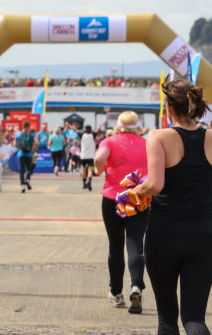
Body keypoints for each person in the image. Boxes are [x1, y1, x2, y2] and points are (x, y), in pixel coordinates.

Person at [133, 79, 212, 335]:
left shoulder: (158, 136)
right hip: (202, 236)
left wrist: (135, 191)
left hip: (164, 235)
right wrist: (199, 188)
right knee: (194, 317)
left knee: (167, 318)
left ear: (169, 107)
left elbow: (156, 184)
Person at [93, 111, 148, 314]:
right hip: (138, 196)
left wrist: (100, 169)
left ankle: (116, 292)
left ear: (119, 125)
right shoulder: (146, 143)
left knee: (115, 245)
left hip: (113, 197)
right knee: (135, 243)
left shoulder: (110, 141)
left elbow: (99, 157)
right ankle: (136, 286)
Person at [12, 121, 36, 193]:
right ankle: (27, 180)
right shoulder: (31, 134)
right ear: (29, 126)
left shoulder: (18, 134)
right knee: (29, 169)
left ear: (22, 126)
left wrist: (20, 146)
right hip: (29, 154)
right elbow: (36, 144)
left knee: (22, 171)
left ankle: (22, 186)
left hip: (21, 154)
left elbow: (15, 144)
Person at [80, 125, 97, 191]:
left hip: (83, 155)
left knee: (84, 169)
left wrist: (69, 125)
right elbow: (97, 130)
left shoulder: (82, 135)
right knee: (90, 169)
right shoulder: (93, 135)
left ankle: (84, 183)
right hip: (91, 156)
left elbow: (75, 129)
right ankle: (89, 181)